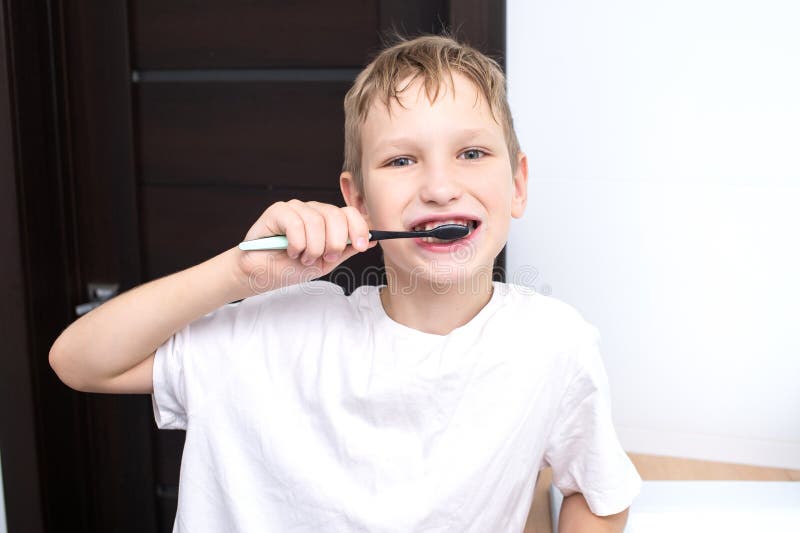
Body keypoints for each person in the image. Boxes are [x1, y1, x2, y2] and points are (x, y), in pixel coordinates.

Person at [50, 33, 641, 533]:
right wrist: (238, 271)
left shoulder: (552, 344)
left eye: (472, 153)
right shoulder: (276, 333)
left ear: (517, 185)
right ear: (357, 200)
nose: (440, 187)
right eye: (401, 161)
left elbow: (599, 491)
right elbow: (79, 362)